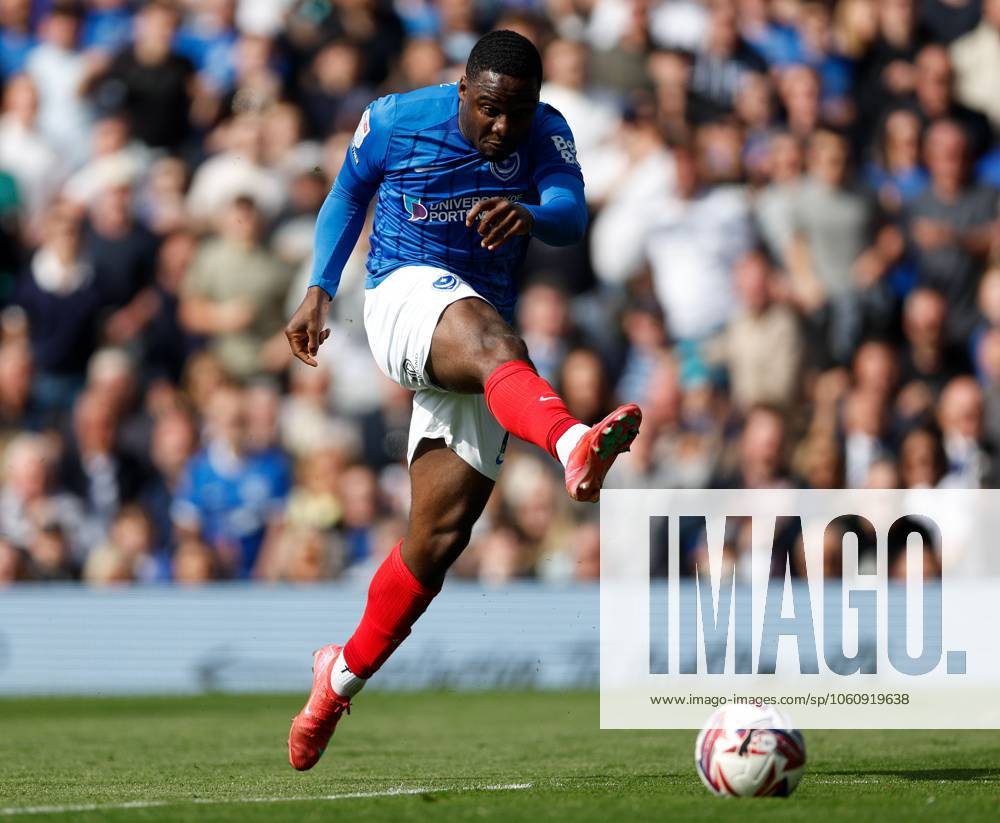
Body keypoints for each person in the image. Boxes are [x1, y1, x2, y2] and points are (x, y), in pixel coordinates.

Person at [283, 30, 641, 771]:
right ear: (460, 92)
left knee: (436, 543)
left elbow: (572, 213)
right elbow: (349, 190)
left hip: (478, 339)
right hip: (400, 298)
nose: (500, 127)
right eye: (486, 110)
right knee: (493, 338)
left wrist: (531, 213)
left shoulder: (546, 132)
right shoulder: (394, 119)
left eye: (515, 113)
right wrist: (320, 284)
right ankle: (573, 443)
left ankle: (337, 679)